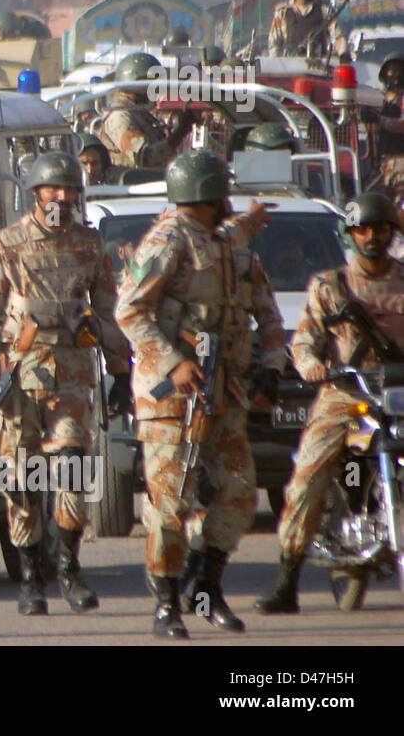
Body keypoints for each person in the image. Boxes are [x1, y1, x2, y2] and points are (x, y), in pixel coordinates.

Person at [115, 151, 285, 638]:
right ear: (210, 193)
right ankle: (166, 605)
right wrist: (174, 361)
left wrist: (271, 369)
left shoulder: (229, 244)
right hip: (171, 398)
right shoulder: (168, 240)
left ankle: (204, 587)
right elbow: (129, 311)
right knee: (171, 503)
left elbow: (268, 315)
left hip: (224, 392)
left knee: (238, 494)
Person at [0, 151, 132, 615]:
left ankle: (68, 568)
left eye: (69, 189)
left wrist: (121, 370)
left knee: (74, 469)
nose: (61, 197)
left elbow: (107, 312)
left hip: (72, 375)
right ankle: (30, 578)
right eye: (52, 189)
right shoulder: (8, 243)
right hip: (18, 376)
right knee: (20, 479)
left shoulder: (89, 245)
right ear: (35, 193)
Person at [255, 192, 404, 613]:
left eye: (380, 228)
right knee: (307, 476)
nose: (372, 236)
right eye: (363, 229)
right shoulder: (330, 286)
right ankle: (287, 580)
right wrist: (312, 366)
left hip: (396, 396)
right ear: (351, 233)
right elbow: (304, 342)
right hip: (346, 395)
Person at [95, 52, 194, 170]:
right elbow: (144, 158)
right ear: (135, 85)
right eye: (150, 84)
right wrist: (180, 133)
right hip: (131, 184)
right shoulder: (119, 115)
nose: (155, 89)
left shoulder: (137, 111)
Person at [268, 0, 338, 58]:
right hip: (291, 67)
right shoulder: (283, 13)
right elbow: (274, 44)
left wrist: (343, 53)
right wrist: (278, 66)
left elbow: (338, 35)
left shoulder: (325, 10)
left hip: (319, 65)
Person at [372, 53, 404, 204]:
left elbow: (401, 125)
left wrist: (381, 119)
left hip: (400, 161)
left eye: (399, 70)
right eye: (392, 71)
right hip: (385, 161)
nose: (395, 75)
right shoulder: (383, 98)